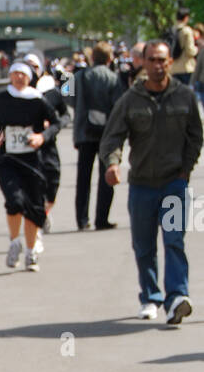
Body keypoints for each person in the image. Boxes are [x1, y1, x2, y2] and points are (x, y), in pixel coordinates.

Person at [100, 40, 202, 322]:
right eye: (152, 60)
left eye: (162, 60)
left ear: (170, 62)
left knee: (174, 241)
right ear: (143, 63)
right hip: (142, 185)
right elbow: (112, 138)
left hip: (174, 183)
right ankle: (150, 297)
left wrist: (185, 170)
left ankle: (177, 297)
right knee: (144, 247)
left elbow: (196, 135)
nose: (158, 65)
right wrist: (112, 164)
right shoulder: (130, 100)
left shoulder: (184, 96)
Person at [0, 59, 59, 271]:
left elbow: (56, 122)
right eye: (15, 73)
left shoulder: (37, 100)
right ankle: (14, 242)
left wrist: (42, 136)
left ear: (30, 78)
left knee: (34, 207)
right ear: (10, 75)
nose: (19, 77)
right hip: (8, 159)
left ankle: (30, 252)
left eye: (23, 74)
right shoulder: (1, 98)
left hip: (33, 161)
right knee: (15, 201)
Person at [72, 41, 124, 230]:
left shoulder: (77, 76)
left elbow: (65, 96)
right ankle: (102, 218)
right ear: (110, 59)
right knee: (106, 175)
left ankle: (82, 219)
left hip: (84, 131)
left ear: (92, 58)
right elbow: (119, 105)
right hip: (107, 133)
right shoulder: (114, 78)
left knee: (83, 177)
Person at [23, 52, 68, 236]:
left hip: (48, 144)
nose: (31, 71)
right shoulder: (17, 93)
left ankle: (44, 211)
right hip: (26, 147)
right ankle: (35, 220)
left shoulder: (51, 91)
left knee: (52, 183)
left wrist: (52, 124)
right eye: (27, 66)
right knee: (31, 186)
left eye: (35, 66)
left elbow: (65, 116)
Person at [169, 8, 197, 85]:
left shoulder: (171, 30)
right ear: (186, 17)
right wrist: (197, 49)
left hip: (173, 68)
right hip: (186, 67)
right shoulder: (186, 30)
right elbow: (190, 51)